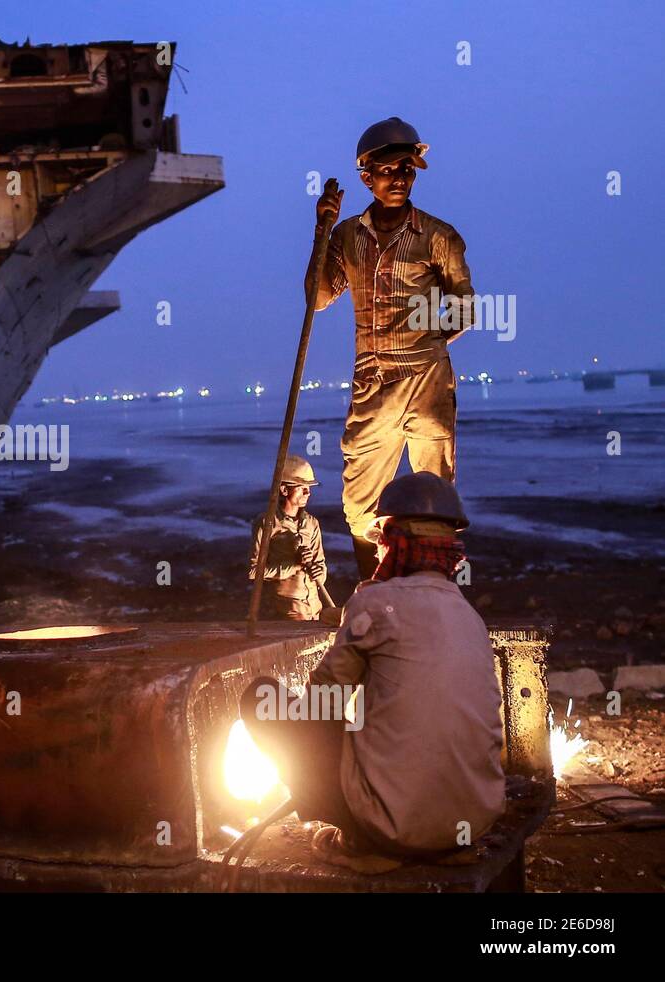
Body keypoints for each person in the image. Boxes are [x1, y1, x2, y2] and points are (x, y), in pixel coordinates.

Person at [239, 472, 502, 873]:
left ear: (393, 543)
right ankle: (439, 838)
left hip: (392, 829)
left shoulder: (374, 603)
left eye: (380, 544)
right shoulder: (471, 618)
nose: (378, 555)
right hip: (474, 821)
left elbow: (318, 707)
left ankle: (362, 839)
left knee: (262, 700)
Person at [313, 117, 474, 579]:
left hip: (427, 378)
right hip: (372, 379)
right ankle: (373, 588)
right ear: (367, 177)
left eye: (408, 170)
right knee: (360, 496)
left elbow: (464, 308)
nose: (401, 179)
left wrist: (422, 341)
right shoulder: (346, 236)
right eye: (390, 171)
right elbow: (318, 298)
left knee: (434, 486)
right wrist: (320, 233)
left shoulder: (439, 236)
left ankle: (437, 589)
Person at [248, 454, 327, 620]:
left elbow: (321, 565)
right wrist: (294, 565)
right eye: (302, 487)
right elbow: (254, 572)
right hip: (287, 610)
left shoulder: (312, 524)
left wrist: (319, 572)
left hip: (315, 608)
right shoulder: (267, 523)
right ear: (284, 490)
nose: (308, 492)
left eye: (309, 488)